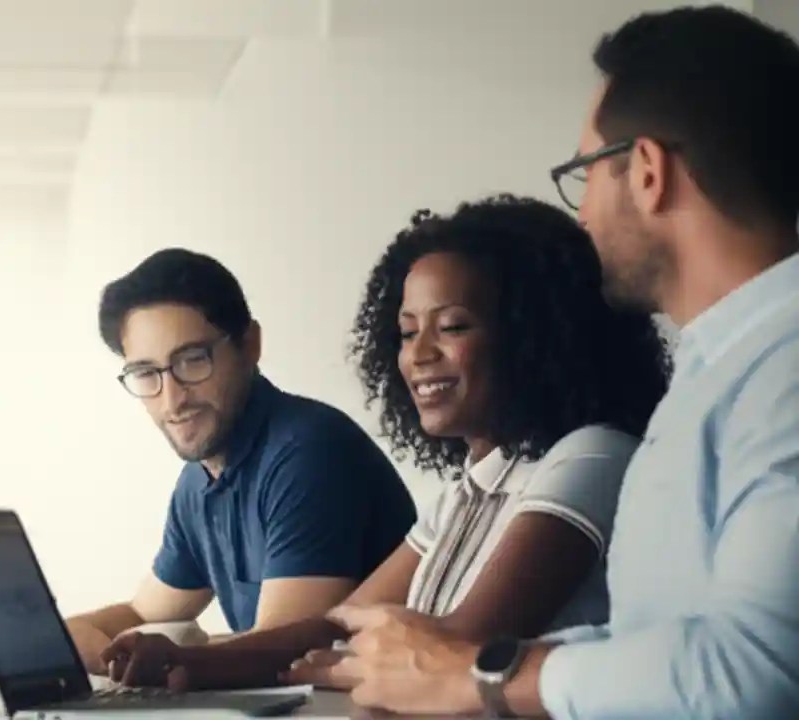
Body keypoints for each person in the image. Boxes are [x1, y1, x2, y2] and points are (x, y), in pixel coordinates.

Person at [328, 7, 799, 719]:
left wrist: (478, 675)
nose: (579, 218)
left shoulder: (784, 373)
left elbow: (758, 670)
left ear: (646, 172)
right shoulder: (712, 373)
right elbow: (655, 641)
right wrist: (441, 668)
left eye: (584, 173)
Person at [98, 196, 670, 690]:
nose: (418, 356)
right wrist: (190, 663)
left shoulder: (591, 455)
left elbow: (459, 647)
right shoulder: (473, 487)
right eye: (406, 332)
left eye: (451, 327)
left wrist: (341, 657)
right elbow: (342, 624)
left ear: (532, 335)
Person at [0, 247, 416, 674]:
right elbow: (145, 612)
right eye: (146, 372)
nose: (172, 398)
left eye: (191, 361)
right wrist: (25, 642)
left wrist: (102, 656)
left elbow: (280, 652)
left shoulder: (309, 452)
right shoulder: (198, 482)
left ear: (250, 346)